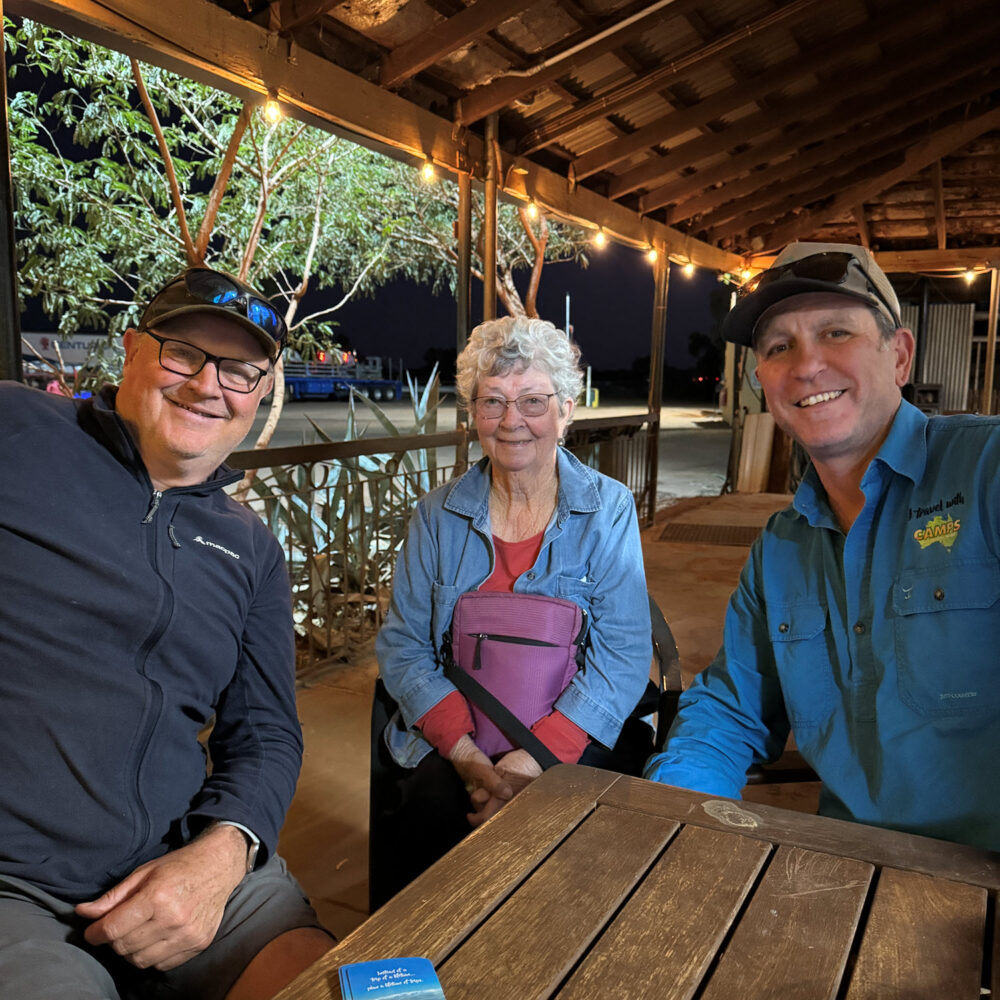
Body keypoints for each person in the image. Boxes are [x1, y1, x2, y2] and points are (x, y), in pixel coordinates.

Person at [0, 266, 333, 999]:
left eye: (241, 371)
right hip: (13, 886)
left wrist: (223, 850)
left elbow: (269, 734)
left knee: (343, 987)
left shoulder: (249, 545)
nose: (209, 385)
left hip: (181, 858)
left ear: (261, 392)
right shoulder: (18, 432)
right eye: (184, 353)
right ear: (131, 351)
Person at [644, 242, 1000, 852]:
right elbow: (731, 712)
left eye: (836, 332)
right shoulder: (782, 550)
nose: (807, 365)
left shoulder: (986, 471)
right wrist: (666, 815)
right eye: (780, 346)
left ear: (900, 356)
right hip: (846, 873)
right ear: (763, 381)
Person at [370, 316, 654, 907]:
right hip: (458, 738)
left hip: (571, 731)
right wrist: (470, 756)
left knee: (578, 842)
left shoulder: (609, 509)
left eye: (532, 400)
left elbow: (624, 656)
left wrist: (532, 758)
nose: (512, 420)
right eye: (493, 401)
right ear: (474, 413)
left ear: (566, 411)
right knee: (428, 818)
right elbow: (403, 647)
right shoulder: (436, 515)